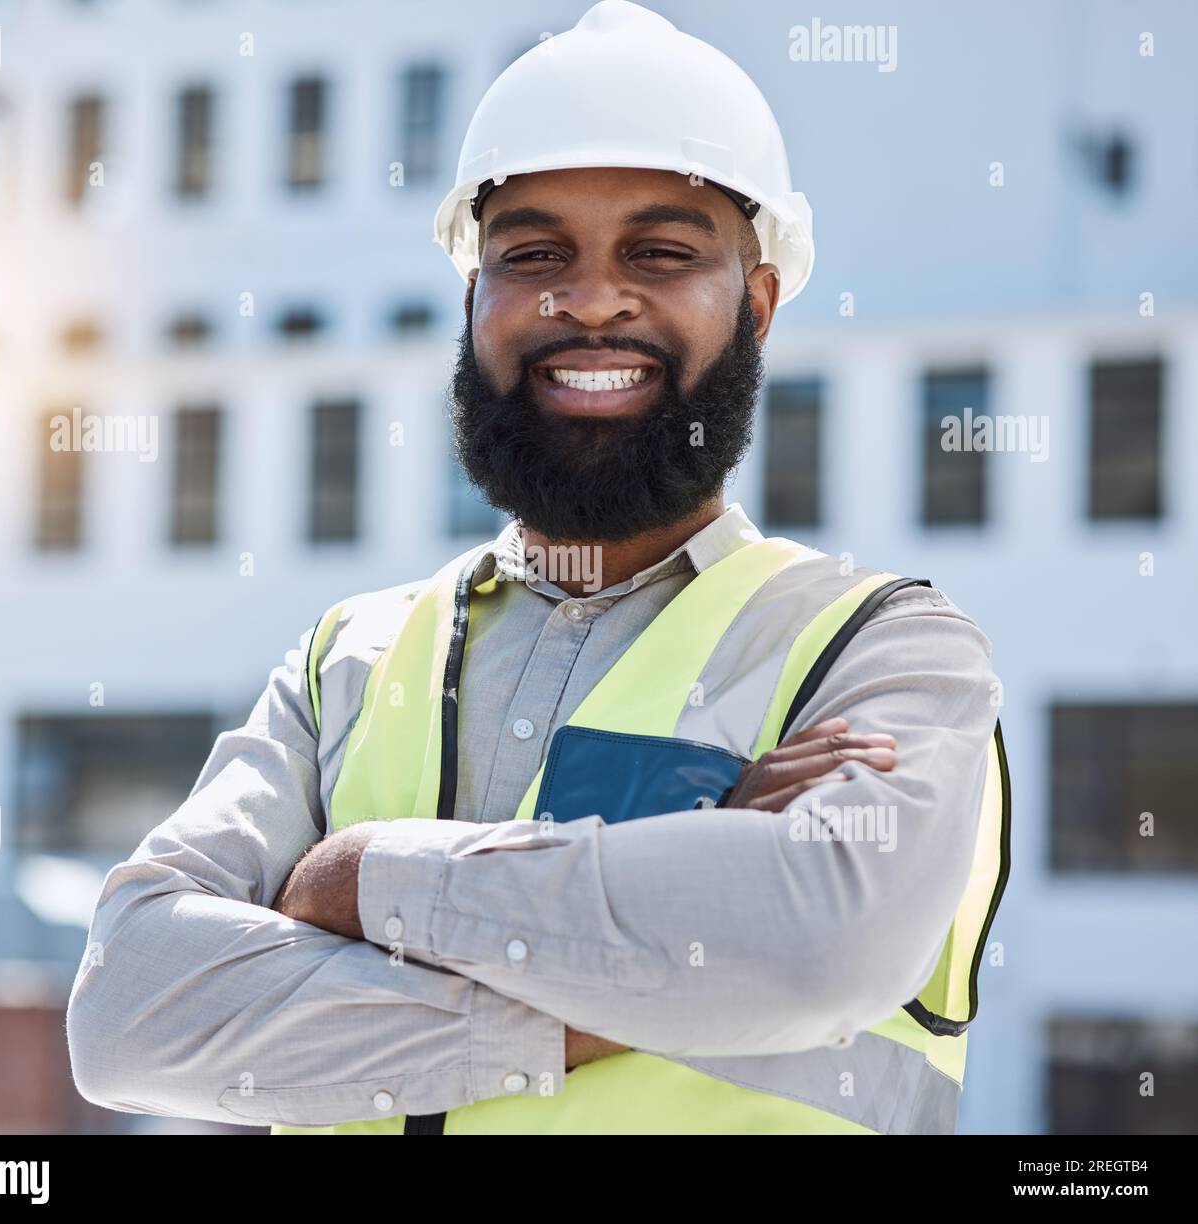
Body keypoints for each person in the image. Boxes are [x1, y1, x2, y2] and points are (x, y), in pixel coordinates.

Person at [67, 0, 1009, 1135]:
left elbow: (819, 941)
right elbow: (130, 1014)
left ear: (756, 304)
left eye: (660, 253)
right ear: (475, 301)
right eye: (533, 254)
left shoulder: (884, 653)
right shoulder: (347, 666)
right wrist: (628, 967)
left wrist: (358, 879)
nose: (592, 296)